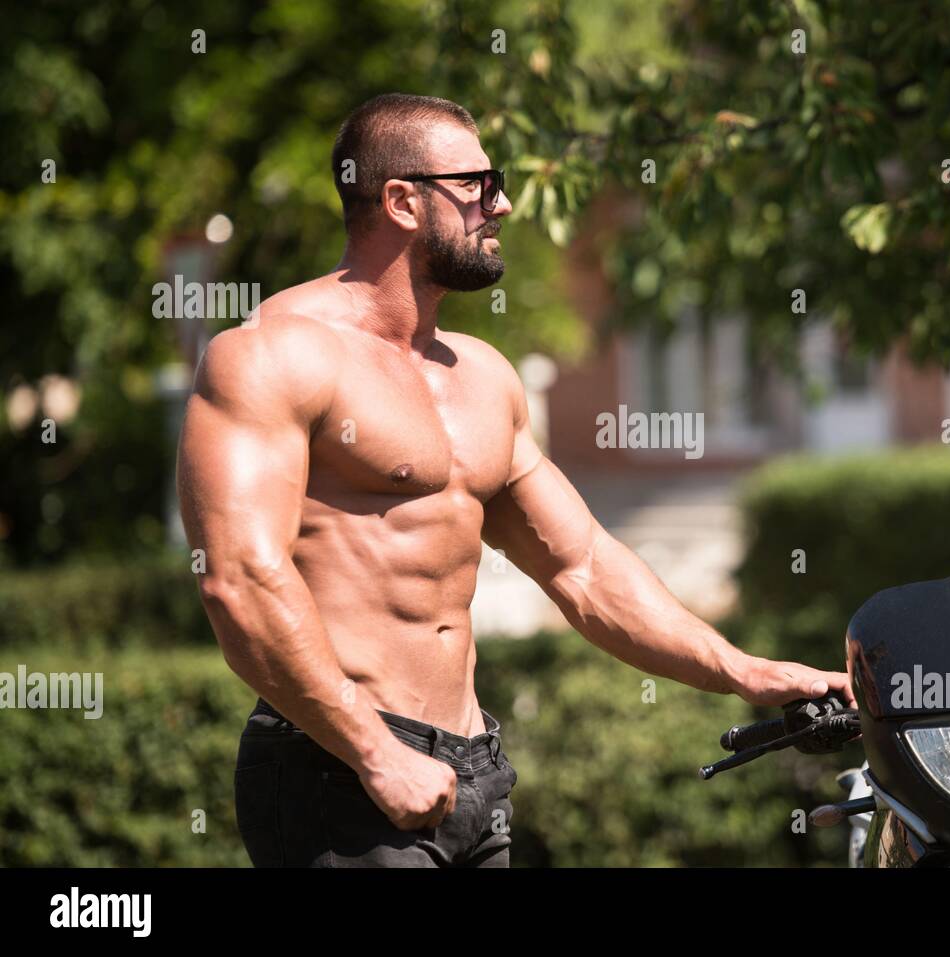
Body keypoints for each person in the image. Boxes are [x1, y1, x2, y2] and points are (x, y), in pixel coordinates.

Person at [176, 92, 854, 868]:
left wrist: (747, 671)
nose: (504, 203)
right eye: (479, 184)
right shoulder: (272, 355)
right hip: (340, 773)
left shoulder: (482, 378)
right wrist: (372, 750)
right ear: (401, 200)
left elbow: (583, 565)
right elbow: (239, 579)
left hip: (473, 776)